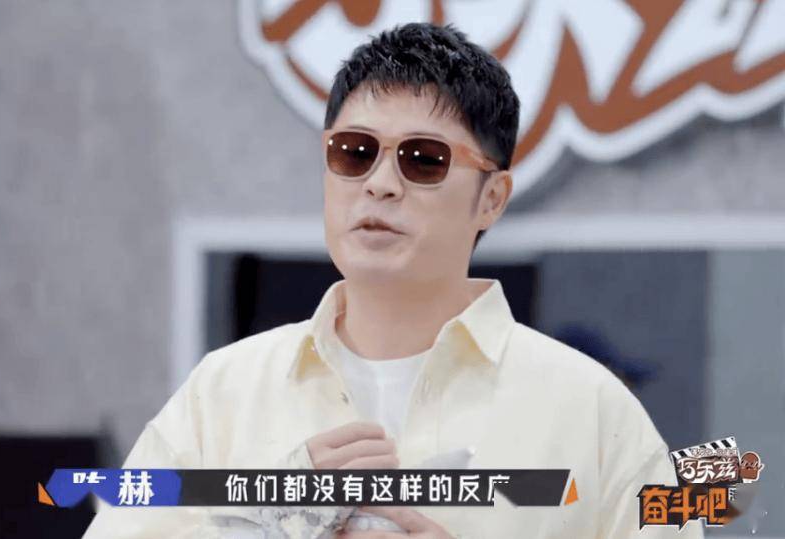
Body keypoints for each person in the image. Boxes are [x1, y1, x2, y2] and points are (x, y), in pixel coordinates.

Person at [85, 22, 703, 538]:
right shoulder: (224, 393)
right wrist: (263, 519)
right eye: (354, 152)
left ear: (492, 198)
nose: (379, 184)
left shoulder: (591, 412)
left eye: (423, 160)